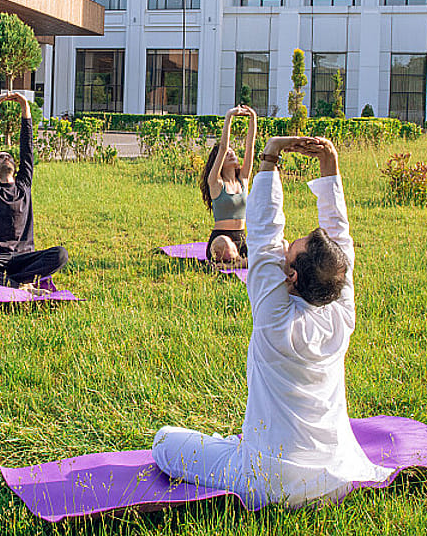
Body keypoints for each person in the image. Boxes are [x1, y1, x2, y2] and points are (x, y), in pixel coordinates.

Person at [153, 136, 394, 508]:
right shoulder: (341, 312)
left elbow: (265, 233)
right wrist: (330, 162)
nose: (284, 246)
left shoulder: (273, 315)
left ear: (292, 277)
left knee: (165, 441)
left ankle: (231, 447)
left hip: (267, 479)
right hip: (335, 477)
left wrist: (272, 153)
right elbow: (338, 238)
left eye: (290, 250)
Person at [0, 90, 69, 290]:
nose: (4, 157)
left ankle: (10, 281)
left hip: (22, 259)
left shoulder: (23, 185)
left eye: (8, 156)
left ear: (15, 165)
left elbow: (28, 149)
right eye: (0, 156)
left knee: (60, 254)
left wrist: (25, 108)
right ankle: (17, 284)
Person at [199, 105, 258, 264]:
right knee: (224, 244)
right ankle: (241, 262)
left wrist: (252, 117)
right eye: (227, 155)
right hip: (221, 239)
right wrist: (229, 116)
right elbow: (224, 146)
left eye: (233, 153)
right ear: (219, 161)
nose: (231, 155)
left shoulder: (243, 179)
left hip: (241, 237)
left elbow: (250, 147)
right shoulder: (216, 183)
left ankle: (238, 261)